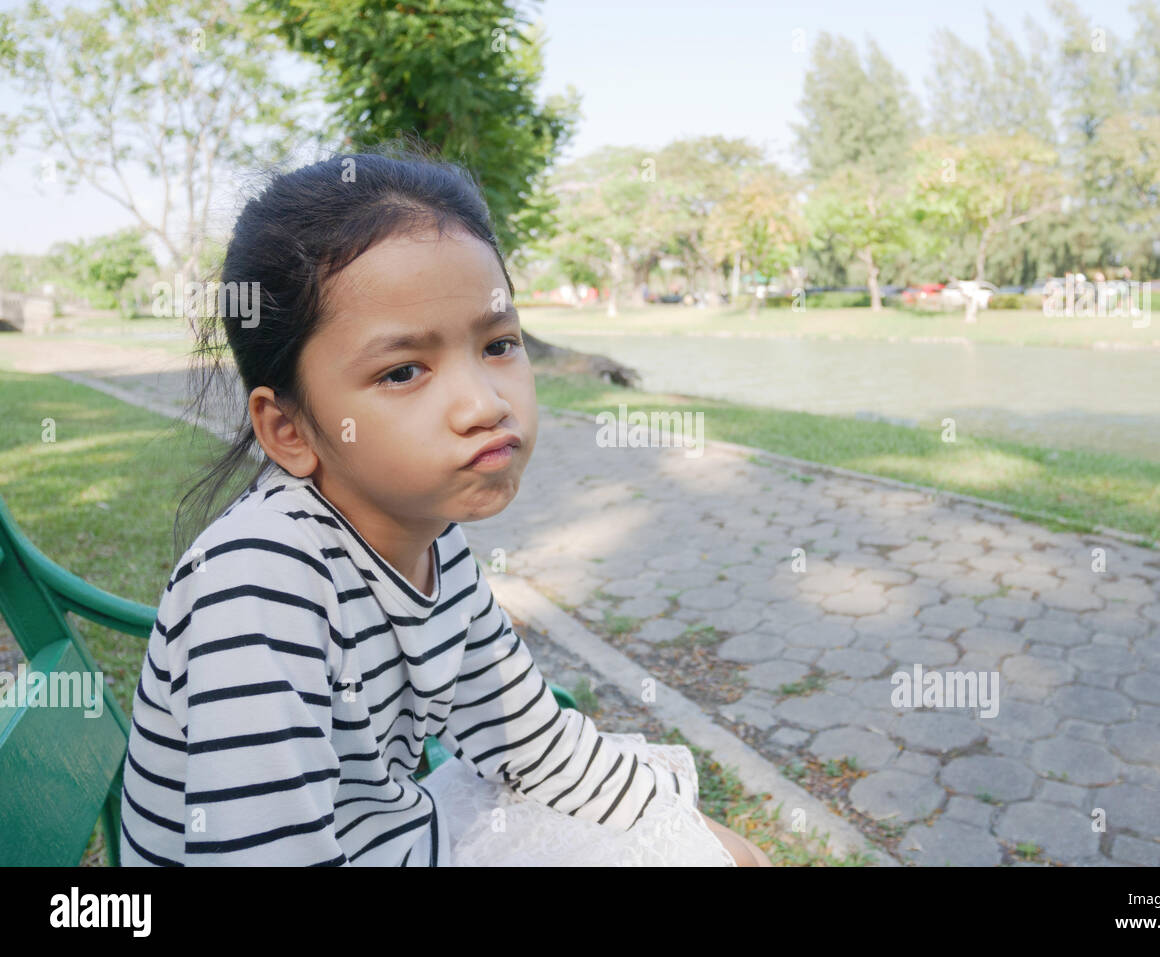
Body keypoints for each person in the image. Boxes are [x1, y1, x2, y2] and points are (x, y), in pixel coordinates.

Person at [119, 142, 771, 867]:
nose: (484, 404)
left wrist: (714, 844)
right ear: (291, 429)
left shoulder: (435, 544)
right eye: (403, 371)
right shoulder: (260, 587)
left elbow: (536, 744)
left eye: (498, 344)